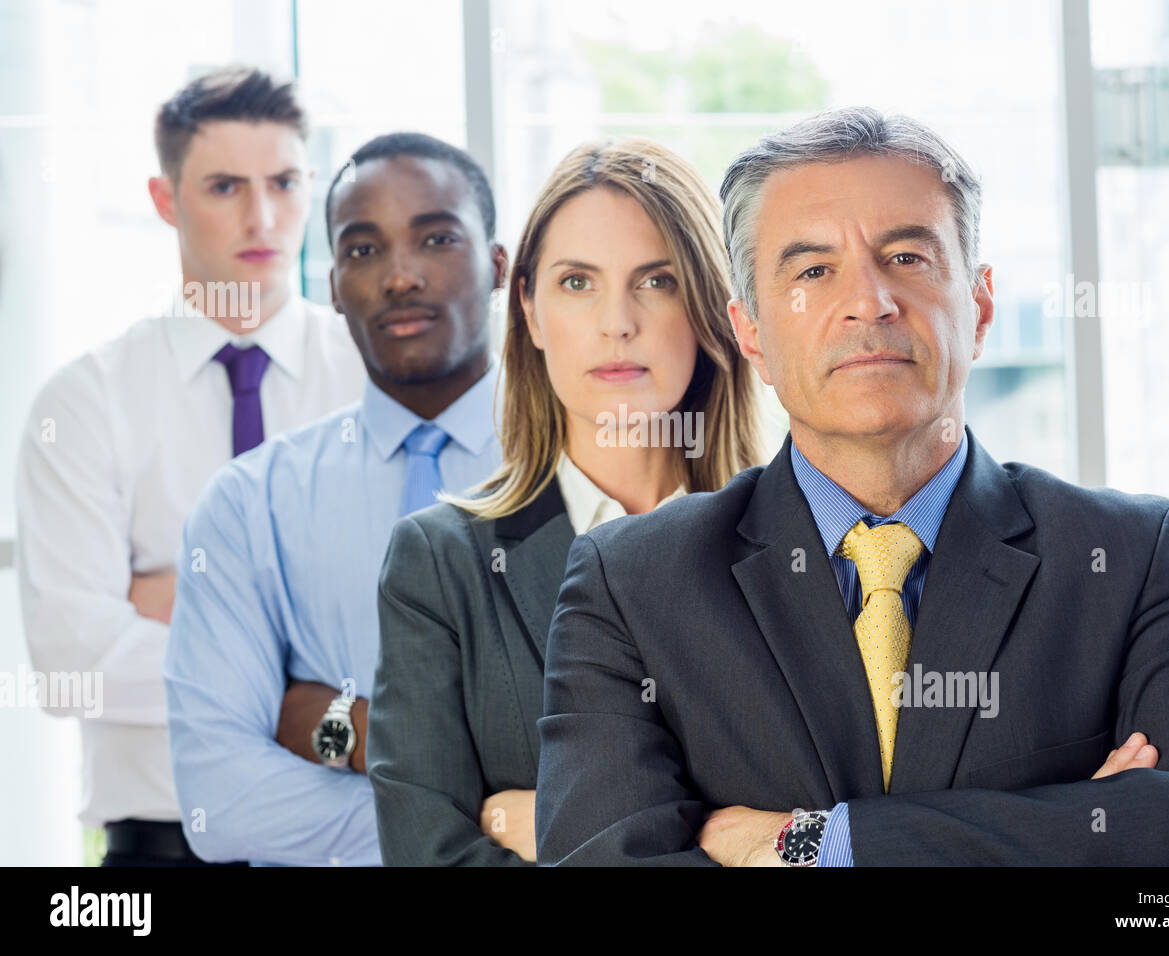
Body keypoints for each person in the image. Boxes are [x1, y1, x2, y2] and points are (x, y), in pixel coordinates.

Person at [533, 106, 1169, 866]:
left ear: (979, 307)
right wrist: (1067, 823)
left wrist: (815, 844)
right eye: (814, 271)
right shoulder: (631, 584)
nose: (869, 303)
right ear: (751, 331)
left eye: (908, 258)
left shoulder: (1132, 556)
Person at [367, 138, 766, 865]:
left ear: (715, 305)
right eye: (577, 283)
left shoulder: (801, 541)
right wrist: (724, 838)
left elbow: (830, 830)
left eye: (657, 281)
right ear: (529, 308)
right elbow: (429, 852)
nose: (617, 321)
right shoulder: (441, 564)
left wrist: (553, 820)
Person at [15, 67, 365, 867]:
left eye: (283, 182)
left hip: (348, 839)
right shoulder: (83, 403)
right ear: (165, 199)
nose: (263, 216)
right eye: (223, 187)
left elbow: (403, 625)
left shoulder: (370, 379)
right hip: (161, 847)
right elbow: (76, 664)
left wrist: (188, 601)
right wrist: (309, 665)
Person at [162, 132, 507, 865]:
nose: (400, 277)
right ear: (332, 287)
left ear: (499, 264)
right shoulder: (249, 505)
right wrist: (479, 824)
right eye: (362, 250)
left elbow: (606, 773)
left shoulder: (591, 474)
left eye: (437, 238)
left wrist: (337, 725)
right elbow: (220, 801)